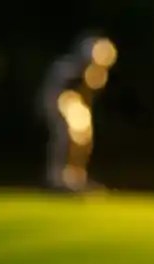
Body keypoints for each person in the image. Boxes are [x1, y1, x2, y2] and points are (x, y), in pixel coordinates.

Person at [39, 34, 117, 192]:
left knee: (84, 139)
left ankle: (76, 176)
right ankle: (58, 177)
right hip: (58, 103)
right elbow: (55, 96)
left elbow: (86, 99)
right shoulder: (67, 69)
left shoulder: (96, 76)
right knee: (65, 137)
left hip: (76, 107)